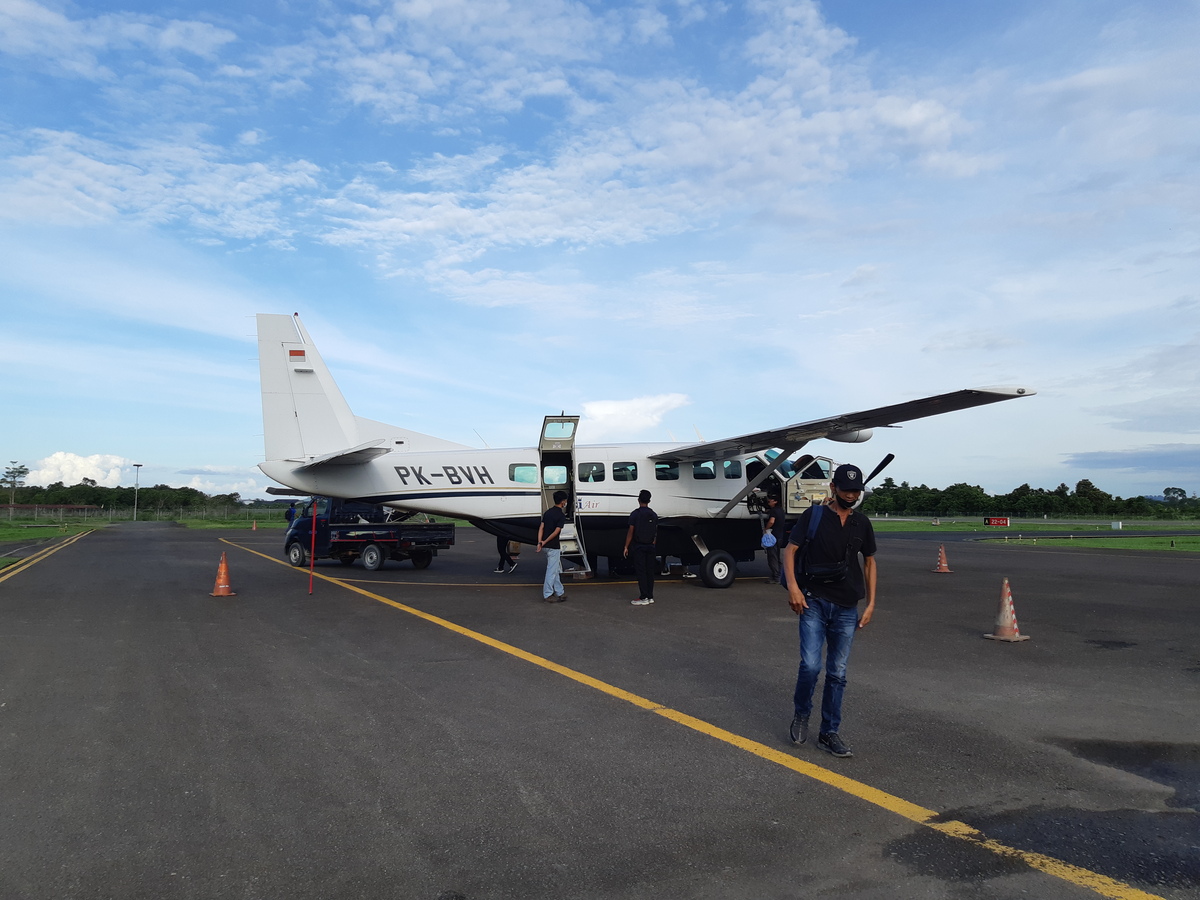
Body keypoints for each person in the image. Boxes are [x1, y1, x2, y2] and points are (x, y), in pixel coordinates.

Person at [782, 463, 877, 759]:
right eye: (846, 489)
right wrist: (794, 588)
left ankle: (829, 732)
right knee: (811, 666)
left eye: (856, 491)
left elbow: (870, 562)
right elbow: (790, 550)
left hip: (847, 607)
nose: (851, 495)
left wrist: (871, 603)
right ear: (833, 488)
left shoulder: (862, 523)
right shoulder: (814, 516)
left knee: (837, 672)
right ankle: (801, 715)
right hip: (814, 602)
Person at [623, 490, 658, 606]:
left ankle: (644, 597)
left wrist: (626, 546)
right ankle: (650, 596)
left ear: (638, 500)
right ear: (649, 500)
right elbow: (655, 532)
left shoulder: (635, 514)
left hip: (639, 546)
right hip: (651, 546)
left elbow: (631, 532)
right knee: (650, 572)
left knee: (641, 571)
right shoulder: (653, 514)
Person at [536, 491, 569, 602]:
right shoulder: (561, 515)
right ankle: (548, 594)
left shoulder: (548, 512)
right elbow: (556, 532)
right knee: (552, 571)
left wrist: (540, 542)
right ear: (563, 502)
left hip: (545, 547)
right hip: (553, 546)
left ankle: (560, 592)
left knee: (555, 569)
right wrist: (545, 541)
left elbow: (541, 528)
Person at [763, 495, 788, 584]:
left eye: (771, 500)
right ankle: (780, 575)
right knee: (777, 556)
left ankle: (776, 577)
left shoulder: (773, 511)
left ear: (775, 502)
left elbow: (771, 521)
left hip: (772, 536)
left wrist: (766, 528)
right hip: (780, 536)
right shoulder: (781, 510)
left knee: (772, 557)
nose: (769, 501)